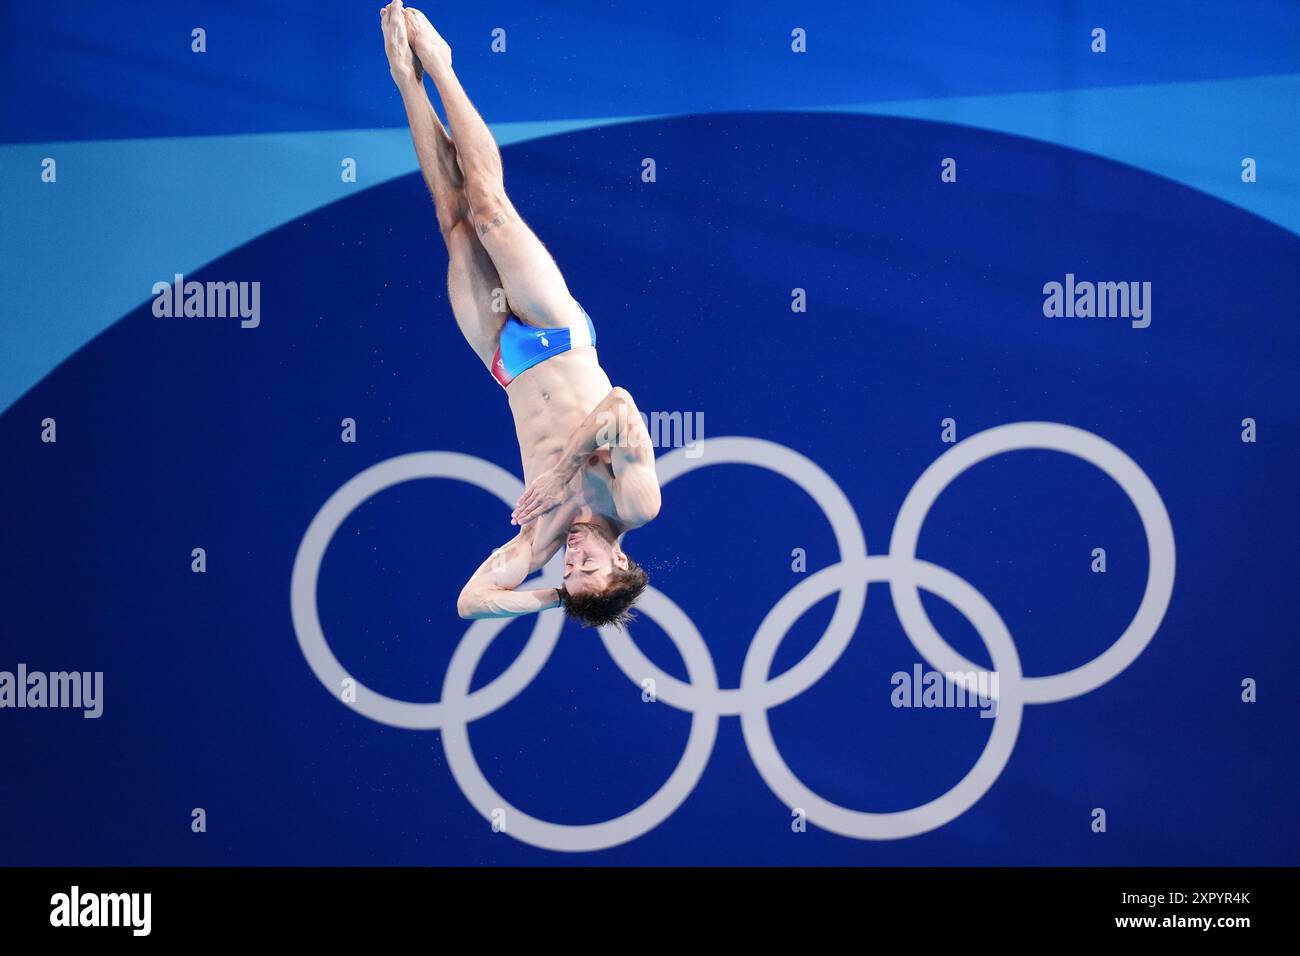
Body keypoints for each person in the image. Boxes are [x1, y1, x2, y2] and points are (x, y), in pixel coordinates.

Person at [380, 1, 661, 628]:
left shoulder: (544, 541)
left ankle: (406, 81)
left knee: (454, 226)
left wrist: (558, 597)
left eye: (571, 573)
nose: (575, 561)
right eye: (588, 569)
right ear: (622, 566)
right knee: (488, 210)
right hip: (560, 340)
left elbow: (471, 604)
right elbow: (619, 405)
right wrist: (564, 471)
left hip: (507, 361)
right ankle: (443, 69)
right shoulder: (636, 503)